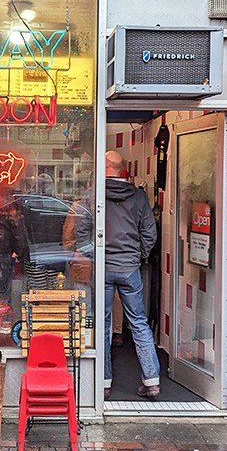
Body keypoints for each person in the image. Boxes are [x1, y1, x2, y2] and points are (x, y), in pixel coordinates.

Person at [76, 151, 159, 400]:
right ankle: (152, 381)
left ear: (106, 167)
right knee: (139, 321)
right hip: (129, 269)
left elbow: (81, 230)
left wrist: (94, 256)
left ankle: (103, 383)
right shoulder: (138, 196)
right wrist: (137, 256)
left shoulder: (93, 194)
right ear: (122, 169)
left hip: (103, 269)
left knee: (101, 323)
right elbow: (150, 233)